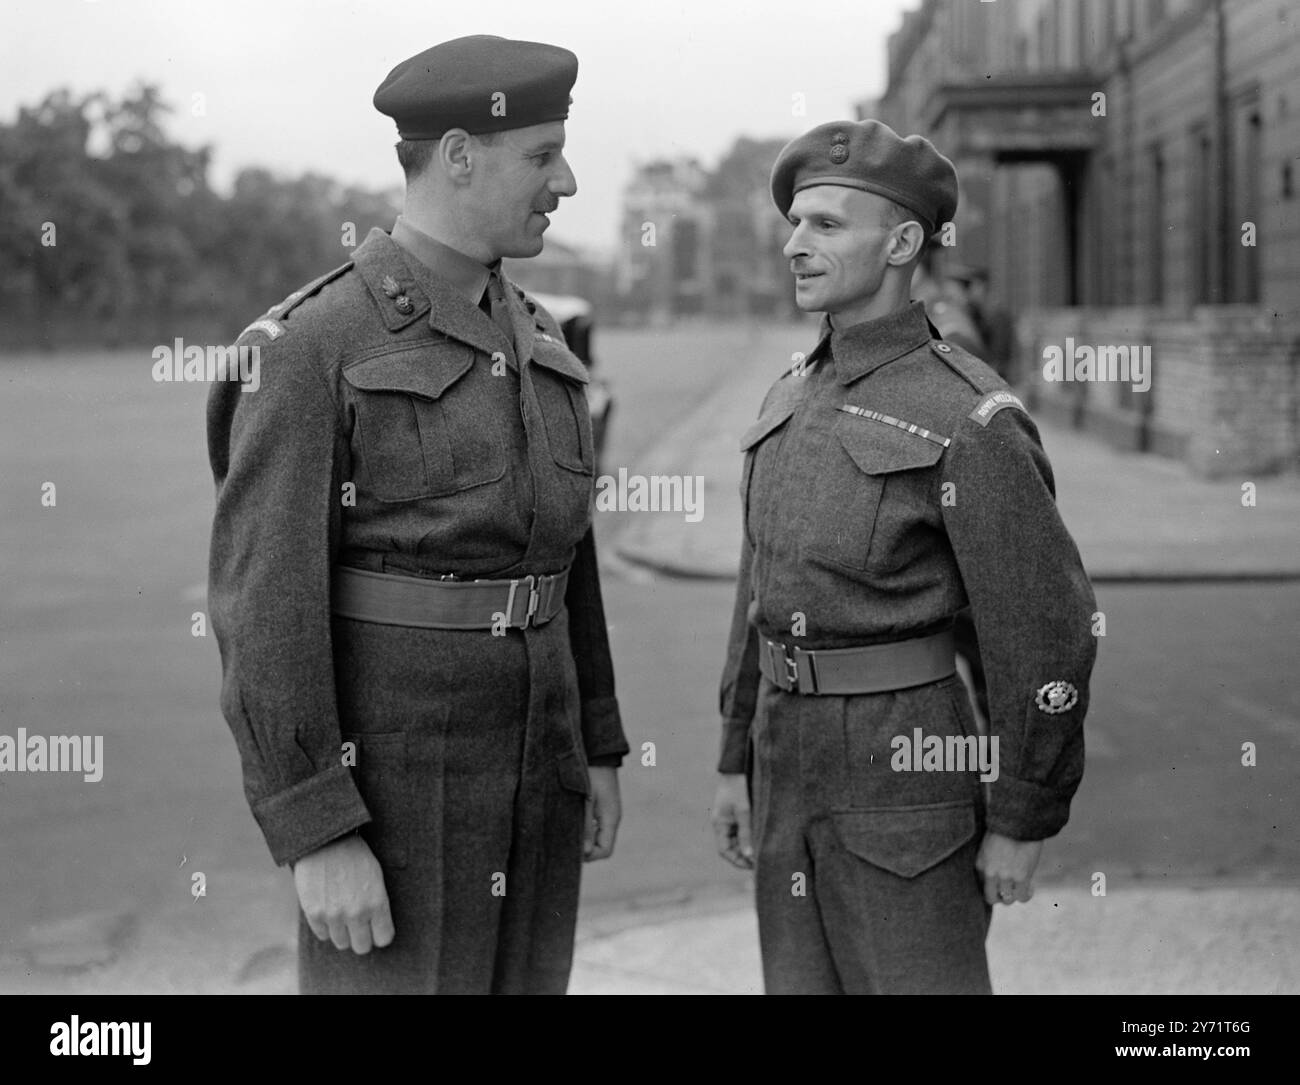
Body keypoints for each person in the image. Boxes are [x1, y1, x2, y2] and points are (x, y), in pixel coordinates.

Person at [206, 34, 627, 995]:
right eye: (542, 154)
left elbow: (566, 557)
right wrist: (318, 830)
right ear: (459, 155)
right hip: (392, 800)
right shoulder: (315, 345)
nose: (564, 180)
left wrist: (597, 741)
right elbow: (267, 608)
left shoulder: (540, 335)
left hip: (539, 777)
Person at [710, 119, 1096, 994]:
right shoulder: (790, 394)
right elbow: (757, 591)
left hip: (907, 765)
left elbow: (1045, 631)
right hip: (784, 757)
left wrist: (1022, 814)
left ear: (903, 242)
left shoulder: (969, 415)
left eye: (826, 226)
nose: (794, 244)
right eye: (795, 222)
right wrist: (736, 759)